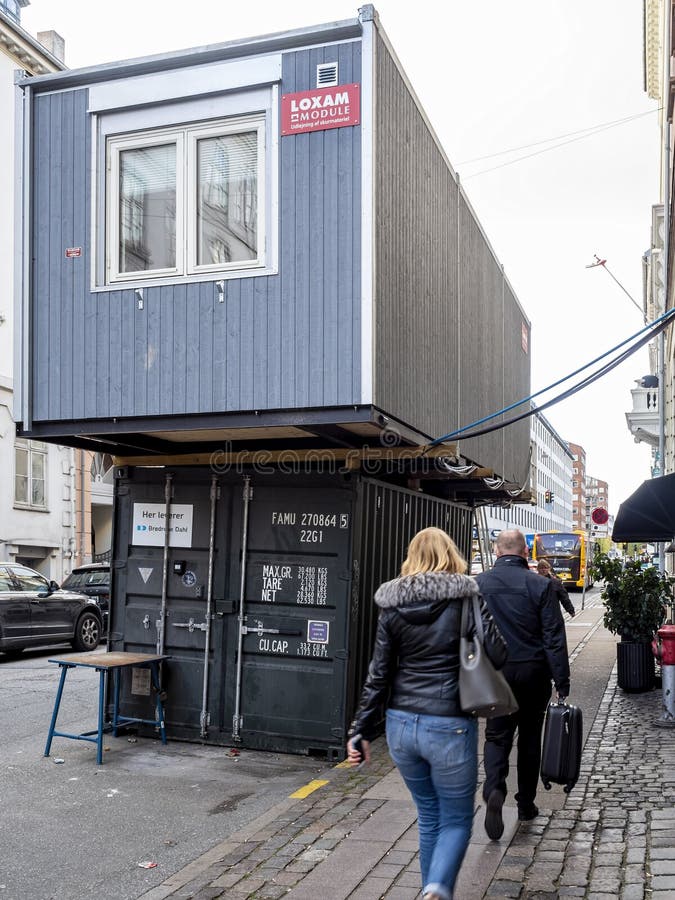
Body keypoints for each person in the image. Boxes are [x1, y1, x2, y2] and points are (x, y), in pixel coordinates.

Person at [347, 527, 507, 900]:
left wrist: (361, 731)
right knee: (455, 820)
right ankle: (436, 889)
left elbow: (379, 674)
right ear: (452, 555)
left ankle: (429, 891)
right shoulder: (467, 596)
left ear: (411, 557)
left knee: (430, 815)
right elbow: (499, 654)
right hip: (449, 725)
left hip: (401, 726)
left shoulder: (393, 605)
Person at [475, 529, 570, 841]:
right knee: (530, 736)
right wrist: (562, 680)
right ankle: (526, 804)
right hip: (533, 672)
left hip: (495, 673)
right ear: (525, 553)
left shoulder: (479, 584)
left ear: (497, 551)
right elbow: (553, 637)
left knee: (497, 736)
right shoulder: (541, 585)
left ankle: (493, 790)